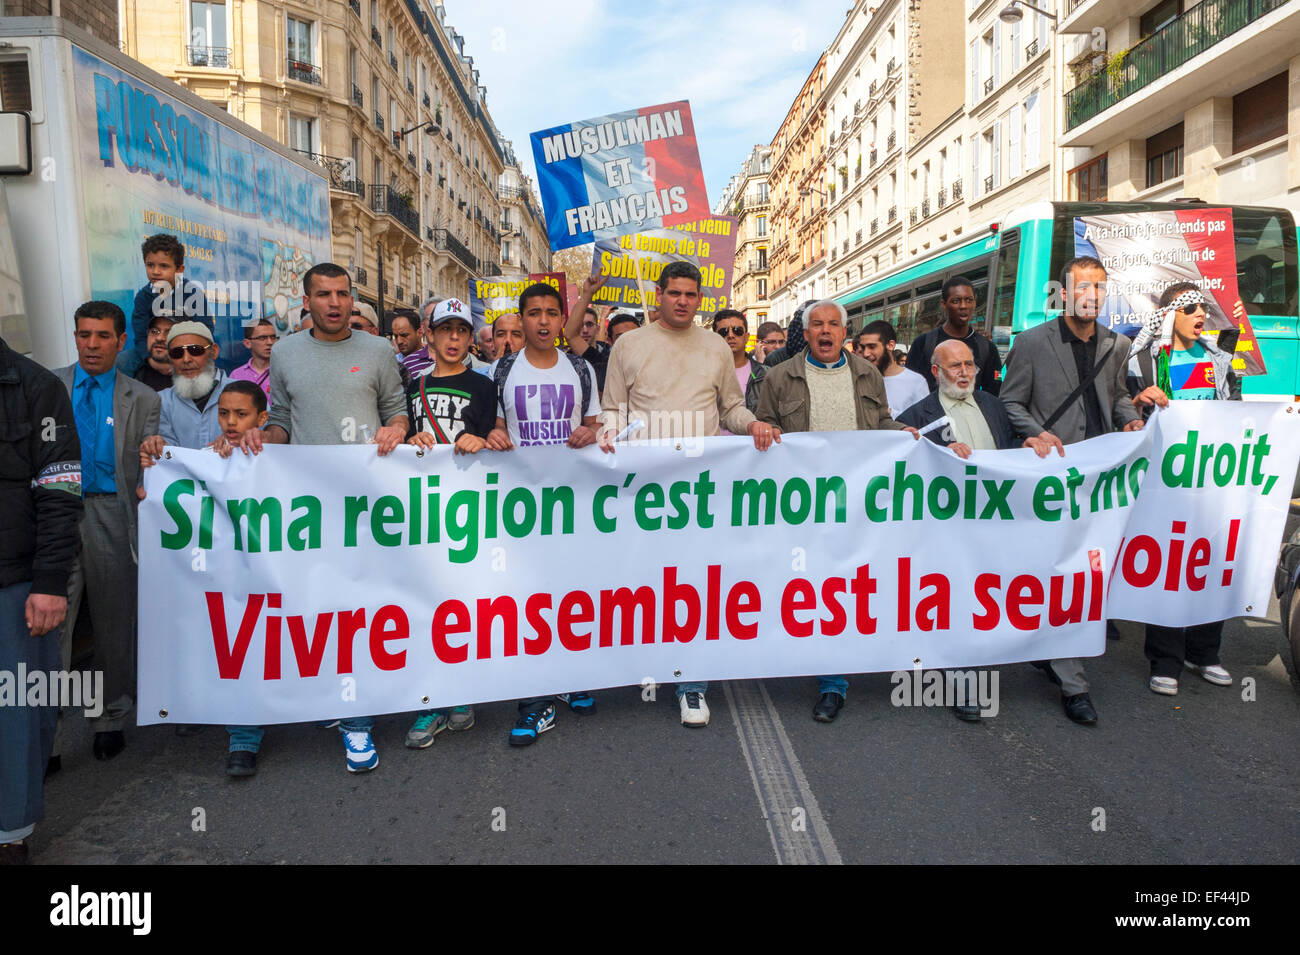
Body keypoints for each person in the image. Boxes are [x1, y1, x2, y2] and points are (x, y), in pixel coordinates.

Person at [224, 262, 409, 775]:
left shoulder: (378, 351)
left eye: (342, 294)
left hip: (364, 508)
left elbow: (397, 410)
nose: (334, 302)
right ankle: (248, 727)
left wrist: (396, 429)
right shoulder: (285, 353)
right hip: (301, 507)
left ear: (352, 299)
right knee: (279, 612)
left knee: (353, 615)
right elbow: (282, 420)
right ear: (306, 301)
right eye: (324, 294)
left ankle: (356, 722)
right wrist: (263, 437)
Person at [599, 261, 780, 727]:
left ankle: (692, 683)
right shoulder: (628, 345)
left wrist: (753, 425)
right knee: (646, 584)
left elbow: (731, 407)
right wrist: (609, 433)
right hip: (643, 491)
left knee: (693, 587)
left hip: (699, 492)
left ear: (700, 299)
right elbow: (612, 408)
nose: (682, 300)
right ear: (658, 294)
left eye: (690, 294)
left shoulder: (716, 346)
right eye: (674, 292)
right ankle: (645, 664)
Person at [999, 255, 1144, 726]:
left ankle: (1051, 649)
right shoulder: (1031, 343)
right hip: (1053, 479)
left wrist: (1130, 419)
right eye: (1082, 287)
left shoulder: (1118, 344)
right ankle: (1074, 684)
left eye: (1099, 288)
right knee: (1063, 573)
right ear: (1064, 294)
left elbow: (1117, 396)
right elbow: (1010, 403)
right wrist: (1037, 433)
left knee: (1087, 572)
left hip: (1104, 479)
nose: (1091, 296)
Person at [756, 300, 915, 722]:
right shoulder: (779, 376)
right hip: (800, 505)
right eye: (817, 325)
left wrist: (904, 433)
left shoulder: (867, 374)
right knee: (803, 584)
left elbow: (881, 422)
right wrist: (766, 430)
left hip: (855, 503)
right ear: (806, 333)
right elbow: (765, 424)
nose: (825, 331)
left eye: (833, 325)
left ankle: (833, 681)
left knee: (840, 587)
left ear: (845, 333)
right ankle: (790, 652)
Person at [897, 339, 1054, 719]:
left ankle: (1039, 653)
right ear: (936, 371)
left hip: (999, 520)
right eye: (956, 366)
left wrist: (1026, 444)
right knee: (960, 604)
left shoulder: (993, 406)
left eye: (970, 364)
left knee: (1011, 593)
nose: (965, 372)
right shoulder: (916, 417)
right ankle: (964, 684)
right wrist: (940, 454)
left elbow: (1008, 444)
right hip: (950, 529)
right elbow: (908, 469)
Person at [491, 282, 601, 745]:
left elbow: (594, 426)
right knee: (528, 602)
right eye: (533, 313)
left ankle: (570, 677)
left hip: (571, 505)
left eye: (551, 313)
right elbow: (496, 427)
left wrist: (590, 434)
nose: (542, 321)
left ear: (561, 320)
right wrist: (495, 436)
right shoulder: (503, 369)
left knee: (569, 595)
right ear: (521, 319)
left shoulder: (580, 369)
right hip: (520, 507)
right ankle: (534, 702)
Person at [53, 301, 160, 761]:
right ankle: (46, 735)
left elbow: (152, 464)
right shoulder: (49, 386)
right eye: (84, 335)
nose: (92, 345)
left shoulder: (145, 398)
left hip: (112, 513)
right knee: (50, 625)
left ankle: (109, 715)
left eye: (102, 336)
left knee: (114, 621)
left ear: (120, 341)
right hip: (54, 515)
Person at [1128, 282, 1238, 696]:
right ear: (1168, 314)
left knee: (1209, 560)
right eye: (1190, 308)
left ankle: (1205, 652)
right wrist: (1139, 399)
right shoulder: (1143, 360)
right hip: (1163, 479)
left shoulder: (1219, 359)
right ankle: (1166, 660)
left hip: (1210, 477)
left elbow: (1234, 412)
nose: (1200, 315)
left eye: (1203, 308)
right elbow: (1125, 405)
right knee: (1169, 565)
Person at [0, 333, 83, 864]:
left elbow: (60, 491)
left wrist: (50, 583)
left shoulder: (35, 387)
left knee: (16, 713)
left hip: (14, 582)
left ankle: (10, 833)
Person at [125, 234, 213, 373]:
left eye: (164, 266)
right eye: (150, 265)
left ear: (179, 270)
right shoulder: (143, 297)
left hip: (183, 350)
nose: (155, 272)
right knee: (123, 361)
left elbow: (205, 332)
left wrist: (181, 358)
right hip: (154, 352)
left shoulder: (192, 294)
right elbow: (141, 336)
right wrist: (150, 360)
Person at [139, 321, 229, 456]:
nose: (186, 359)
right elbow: (167, 454)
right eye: (177, 353)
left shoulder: (245, 394)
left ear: (214, 351)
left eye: (195, 350)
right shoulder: (161, 402)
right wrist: (157, 445)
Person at [906, 276, 1002, 395]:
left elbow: (995, 393)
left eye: (969, 300)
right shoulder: (922, 344)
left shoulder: (987, 348)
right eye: (956, 301)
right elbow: (910, 388)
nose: (963, 306)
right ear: (944, 304)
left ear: (974, 302)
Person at [857, 320, 929, 417]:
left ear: (890, 345)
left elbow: (924, 420)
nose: (866, 353)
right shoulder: (858, 379)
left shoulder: (916, 382)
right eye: (863, 348)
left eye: (872, 347)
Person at [712, 308, 766, 416]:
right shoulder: (703, 373)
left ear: (747, 337)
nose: (731, 335)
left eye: (737, 331)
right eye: (723, 332)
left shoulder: (765, 374)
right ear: (714, 338)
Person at [229, 318, 275, 401]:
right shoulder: (236, 376)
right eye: (262, 338)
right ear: (247, 343)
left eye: (273, 337)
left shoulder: (283, 371)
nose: (270, 342)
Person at [132, 314, 176, 393]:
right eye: (154, 331)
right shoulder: (130, 373)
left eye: (169, 333)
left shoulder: (194, 380)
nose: (159, 338)